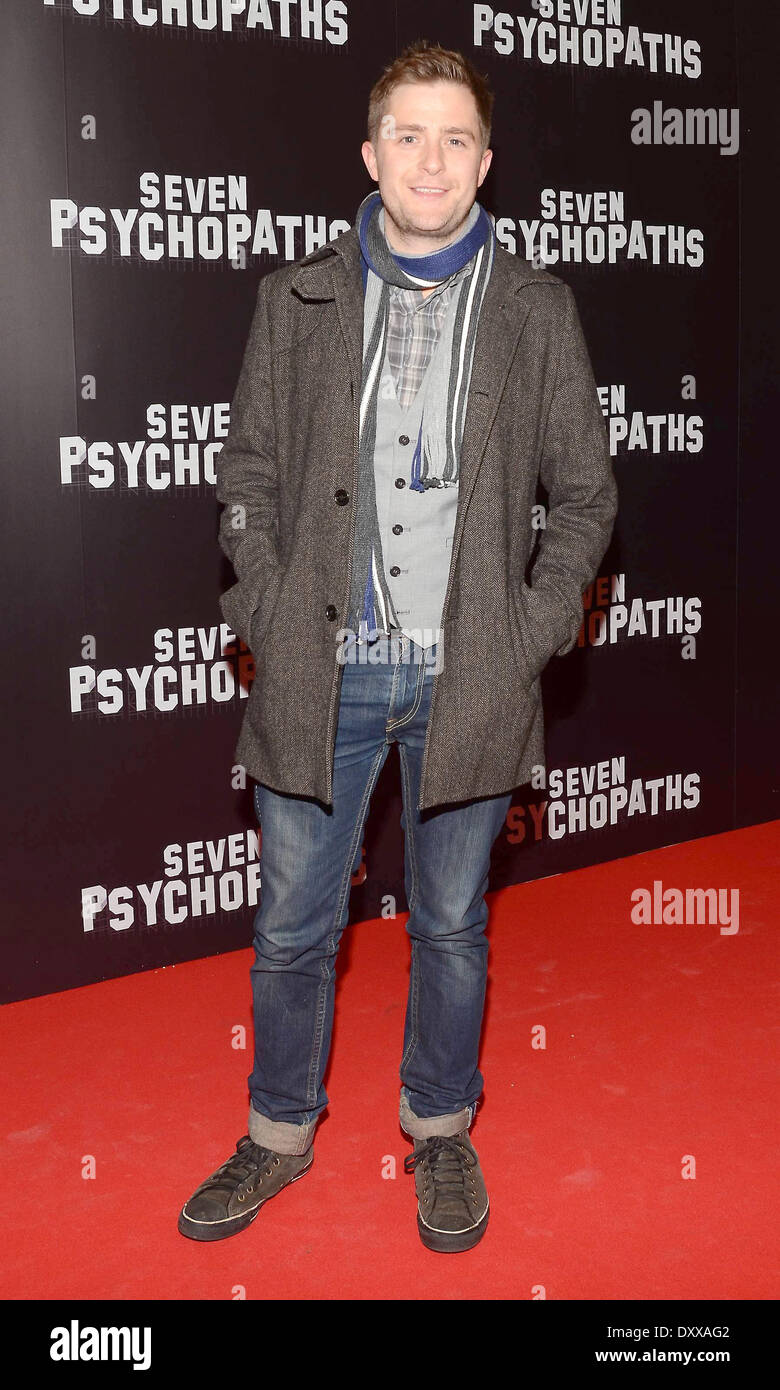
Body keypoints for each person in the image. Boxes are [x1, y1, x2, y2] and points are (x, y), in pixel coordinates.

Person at [178, 39, 617, 1254]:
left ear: (488, 163)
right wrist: (265, 611)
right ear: (371, 155)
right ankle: (276, 1134)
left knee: (454, 924)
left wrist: (527, 632)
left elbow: (584, 498)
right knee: (290, 924)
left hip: (467, 671)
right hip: (325, 669)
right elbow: (249, 482)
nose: (432, 159)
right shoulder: (297, 297)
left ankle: (439, 1127)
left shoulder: (535, 311)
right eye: (409, 136)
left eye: (457, 137)